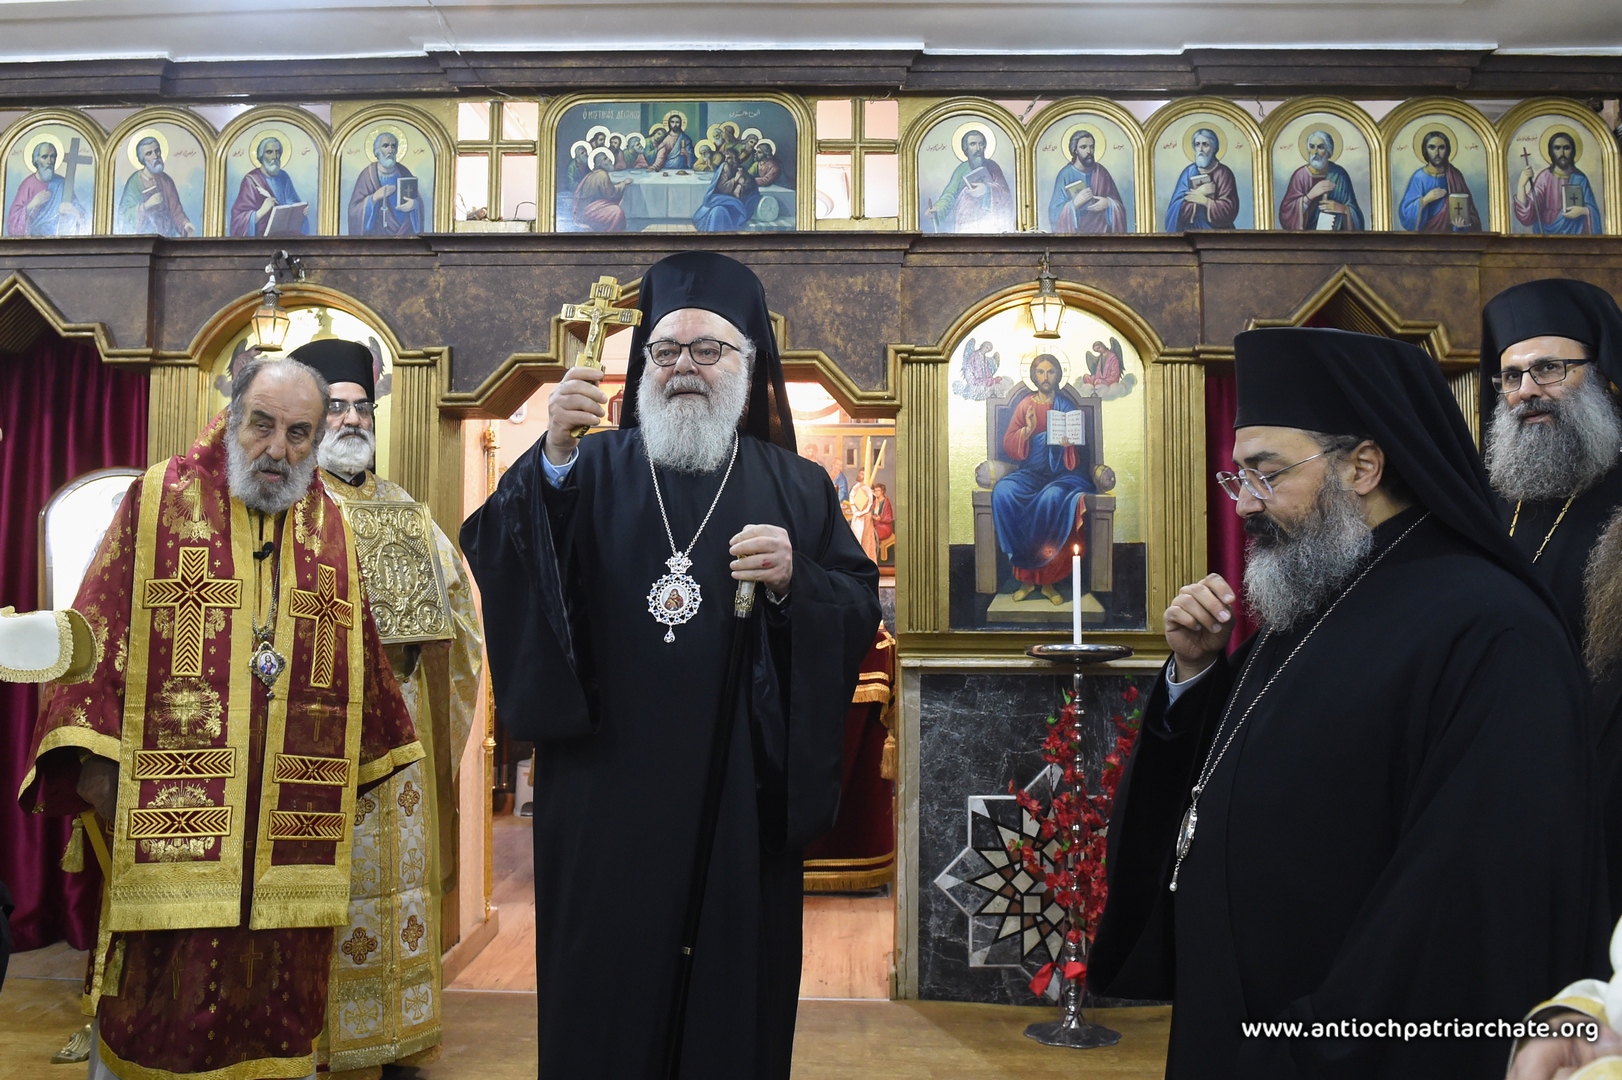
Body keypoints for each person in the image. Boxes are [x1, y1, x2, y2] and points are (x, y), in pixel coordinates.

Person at [1088, 327, 1604, 1077]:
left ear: (1363, 464)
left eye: (1268, 473)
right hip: (1239, 1014)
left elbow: (1463, 898)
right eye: (1239, 478)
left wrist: (1318, 1044)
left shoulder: (1491, 630)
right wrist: (1195, 675)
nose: (1246, 505)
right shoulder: (1319, 592)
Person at [460, 251, 880, 1079]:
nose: (684, 366)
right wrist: (545, 459)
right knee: (604, 1009)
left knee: (734, 1011)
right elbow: (505, 553)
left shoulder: (797, 487)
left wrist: (800, 580)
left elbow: (856, 606)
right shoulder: (582, 467)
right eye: (665, 350)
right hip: (605, 802)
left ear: (748, 365)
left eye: (708, 350)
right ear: (643, 365)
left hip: (739, 809)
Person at [19, 356, 422, 1080]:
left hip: (283, 835)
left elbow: (359, 654)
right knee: (159, 1022)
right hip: (168, 821)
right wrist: (101, 776)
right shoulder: (159, 499)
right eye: (262, 426)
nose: (279, 451)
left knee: (275, 1013)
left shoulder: (329, 524)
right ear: (231, 417)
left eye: (300, 434)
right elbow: (97, 635)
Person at [290, 338, 484, 1076]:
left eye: (359, 406)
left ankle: (396, 1033)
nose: (348, 419)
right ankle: (315, 1038)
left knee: (392, 886)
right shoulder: (289, 508)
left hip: (398, 740)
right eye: (333, 406)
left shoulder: (405, 510)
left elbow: (460, 614)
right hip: (311, 738)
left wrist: (434, 616)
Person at [1480, 278, 1622, 917]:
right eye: (1511, 378)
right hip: (1496, 775)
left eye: (1549, 369)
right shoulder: (1489, 500)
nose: (1526, 392)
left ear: (1602, 375)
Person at [991, 354, 1096, 604]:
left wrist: (1068, 446)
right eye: (1041, 372)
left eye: (1050, 372)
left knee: (1051, 498)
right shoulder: (1025, 405)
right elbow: (1008, 445)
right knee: (1003, 491)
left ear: (1058, 375)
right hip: (1030, 473)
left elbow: (1078, 455)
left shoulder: (1066, 407)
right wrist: (1027, 431)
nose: (1045, 377)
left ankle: (1048, 582)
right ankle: (1026, 579)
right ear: (1034, 375)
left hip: (1063, 476)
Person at [925, 128, 1015, 233]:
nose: (978, 148)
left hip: (991, 224)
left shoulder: (993, 167)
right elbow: (949, 195)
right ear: (965, 148)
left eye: (981, 144)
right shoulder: (961, 170)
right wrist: (937, 208)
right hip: (965, 223)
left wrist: (987, 190)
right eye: (973, 144)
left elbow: (1006, 194)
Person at [1514, 130, 1603, 235]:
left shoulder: (1580, 179)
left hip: (1576, 238)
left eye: (1566, 148)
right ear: (1551, 152)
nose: (1562, 153)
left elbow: (1593, 210)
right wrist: (1521, 186)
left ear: (1573, 151)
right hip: (1548, 238)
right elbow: (1528, 212)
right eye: (1557, 148)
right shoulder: (1544, 178)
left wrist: (1583, 211)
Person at [1277, 129, 1364, 230]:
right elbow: (1286, 214)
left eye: (1320, 147)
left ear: (1329, 151)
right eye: (1312, 146)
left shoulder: (1339, 174)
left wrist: (1343, 209)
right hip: (1306, 240)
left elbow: (1356, 215)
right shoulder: (1300, 176)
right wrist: (1310, 196)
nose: (1315, 152)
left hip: (1336, 239)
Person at [1398, 129, 1481, 232]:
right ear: (1425, 150)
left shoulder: (1455, 175)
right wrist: (1425, 200)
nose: (1436, 153)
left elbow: (1472, 214)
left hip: (1451, 240)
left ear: (1447, 150)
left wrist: (1462, 224)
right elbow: (1405, 214)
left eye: (1441, 147)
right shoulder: (1419, 177)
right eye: (1432, 147)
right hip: (1425, 239)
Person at [1048, 129, 1127, 234]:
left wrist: (1108, 204)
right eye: (1083, 147)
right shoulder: (1065, 175)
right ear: (1075, 150)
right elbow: (1054, 213)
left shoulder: (1102, 172)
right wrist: (1074, 204)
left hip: (1102, 237)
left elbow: (1120, 207)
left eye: (1092, 146)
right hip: (1075, 240)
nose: (1089, 151)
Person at [229, 136, 310, 237]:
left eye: (277, 152)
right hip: (262, 242)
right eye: (269, 152)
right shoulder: (251, 181)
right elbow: (238, 219)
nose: (274, 156)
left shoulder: (283, 177)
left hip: (285, 237)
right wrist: (259, 213)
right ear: (261, 156)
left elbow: (292, 203)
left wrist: (301, 212)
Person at [347, 131, 424, 236]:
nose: (390, 150)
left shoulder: (404, 172)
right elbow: (354, 211)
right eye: (385, 146)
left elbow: (417, 200)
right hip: (376, 240)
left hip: (404, 235)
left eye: (393, 146)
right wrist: (374, 198)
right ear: (377, 151)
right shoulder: (368, 176)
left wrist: (414, 205)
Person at [6, 139, 87, 237]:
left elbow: (82, 215)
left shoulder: (61, 183)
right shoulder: (27, 185)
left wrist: (73, 210)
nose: (49, 161)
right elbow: (13, 222)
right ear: (36, 160)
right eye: (44, 157)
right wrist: (31, 205)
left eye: (52, 156)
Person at [116, 136, 194, 237]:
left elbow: (176, 211)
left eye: (157, 151)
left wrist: (185, 224)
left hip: (167, 240)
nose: (155, 156)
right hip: (143, 242)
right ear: (142, 159)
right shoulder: (134, 182)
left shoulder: (166, 181)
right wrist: (147, 205)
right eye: (149, 153)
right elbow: (124, 216)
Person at [1165, 127, 1239, 230]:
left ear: (1214, 148)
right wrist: (1199, 193)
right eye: (1197, 144)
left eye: (1205, 145)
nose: (1200, 149)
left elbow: (1229, 209)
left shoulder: (1224, 173)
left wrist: (1205, 201)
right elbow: (1175, 208)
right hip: (1189, 234)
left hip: (1218, 235)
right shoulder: (1188, 173)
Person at [692, 147, 761, 232]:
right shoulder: (724, 168)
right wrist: (735, 180)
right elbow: (723, 188)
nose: (726, 160)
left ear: (734, 159)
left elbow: (750, 185)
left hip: (734, 204)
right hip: (720, 200)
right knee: (717, 211)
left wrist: (740, 186)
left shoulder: (741, 170)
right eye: (725, 157)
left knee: (719, 211)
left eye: (728, 158)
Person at [573, 148, 632, 232]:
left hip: (590, 208)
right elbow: (612, 193)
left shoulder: (593, 174)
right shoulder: (602, 174)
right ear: (600, 163)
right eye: (605, 159)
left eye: (607, 157)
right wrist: (623, 184)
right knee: (617, 211)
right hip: (590, 211)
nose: (609, 160)